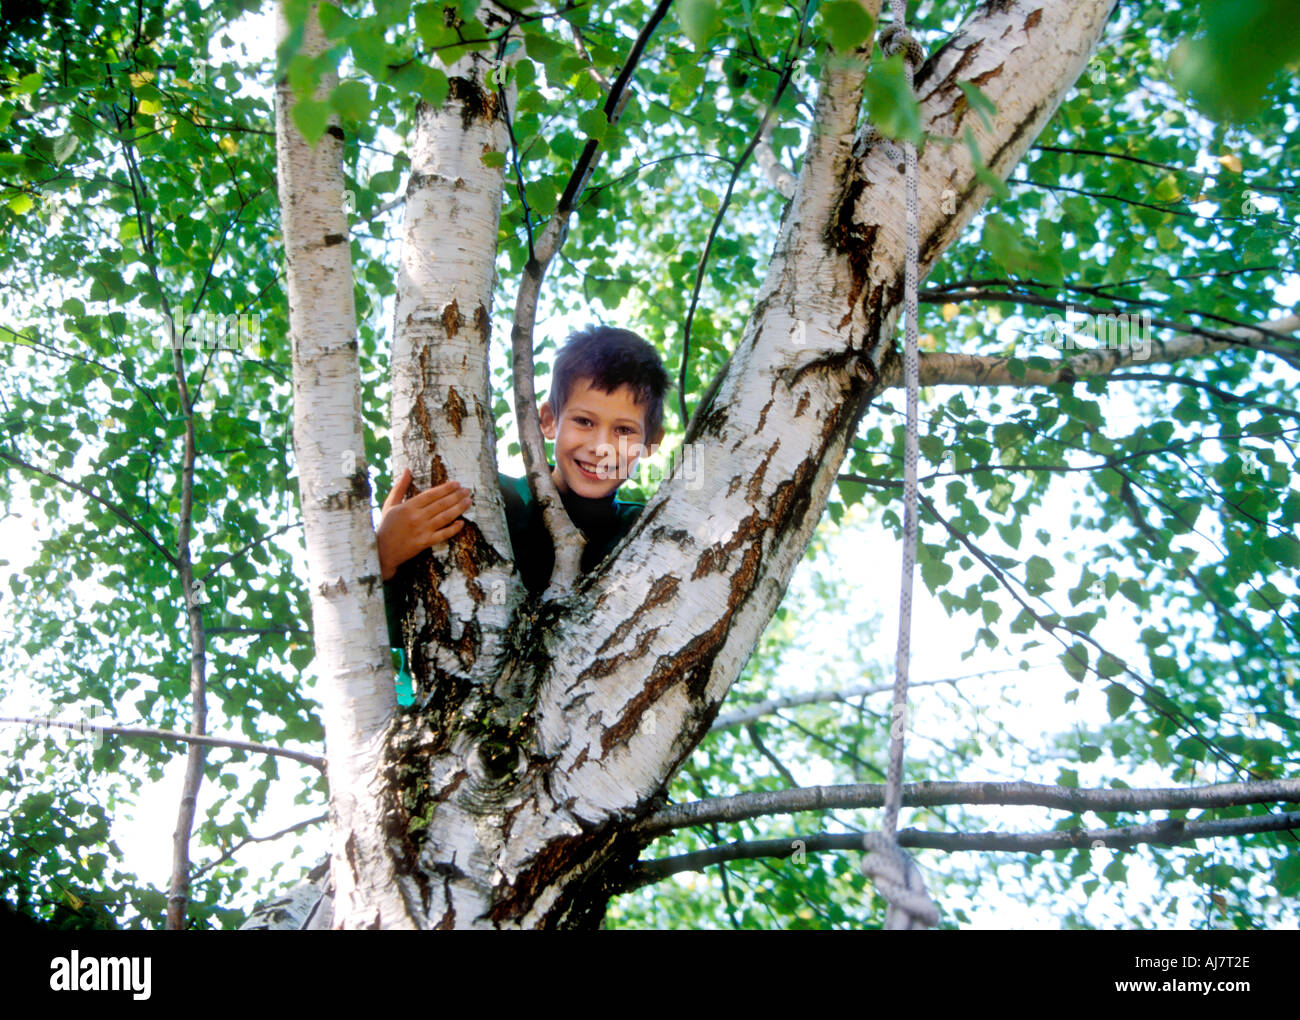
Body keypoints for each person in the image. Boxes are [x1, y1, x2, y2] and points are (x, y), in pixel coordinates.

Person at [377, 324, 671, 660]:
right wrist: (383, 559)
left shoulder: (646, 532)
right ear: (547, 421)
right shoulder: (486, 497)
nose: (600, 447)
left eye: (623, 430)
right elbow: (399, 637)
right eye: (584, 422)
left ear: (650, 444)